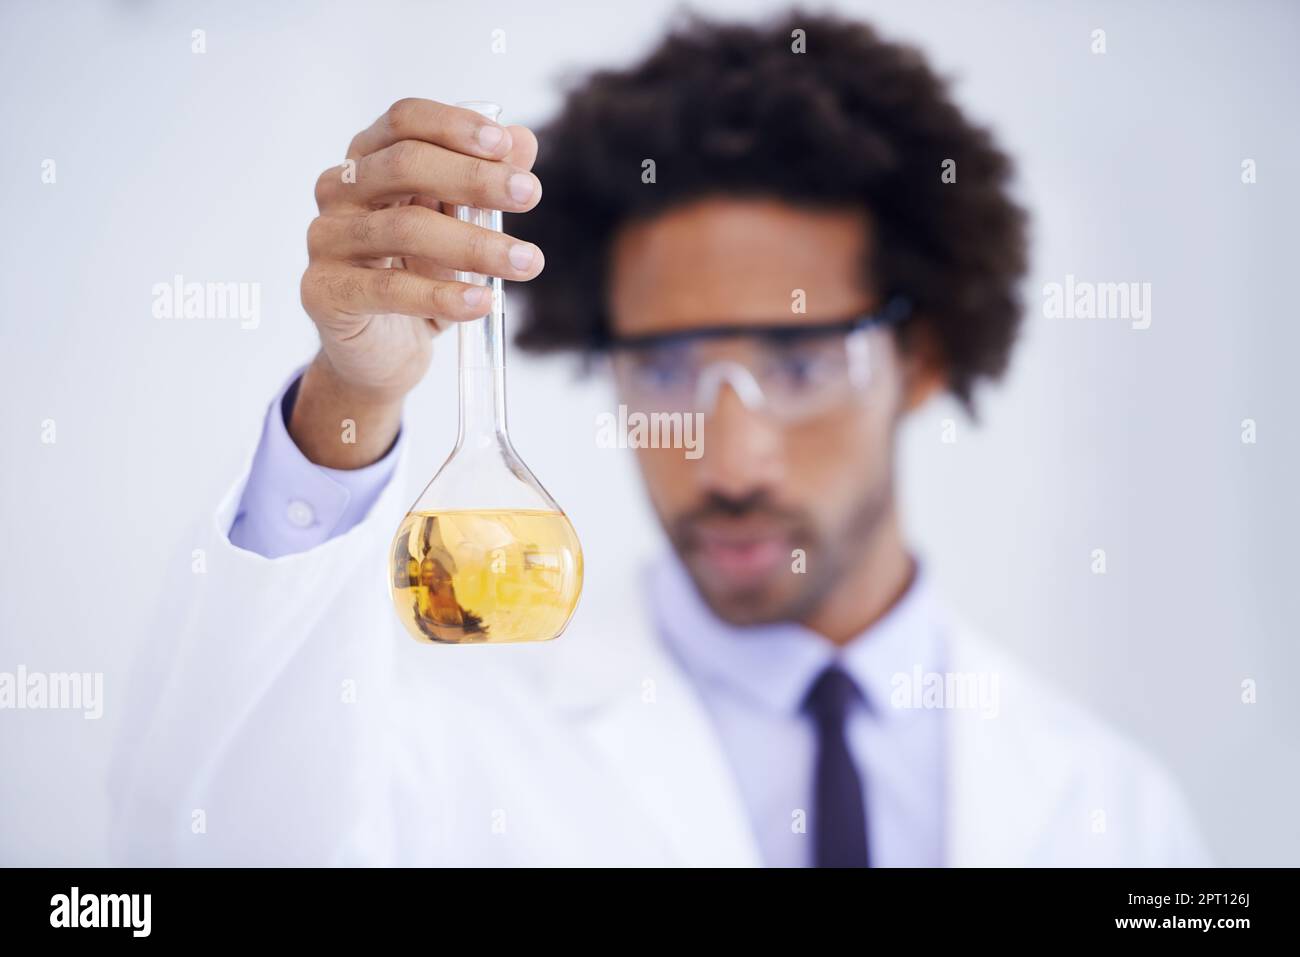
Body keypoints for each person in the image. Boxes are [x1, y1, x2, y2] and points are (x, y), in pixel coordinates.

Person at [109, 11, 1209, 866]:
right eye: (669, 368)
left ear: (921, 358)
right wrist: (350, 399)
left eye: (796, 363)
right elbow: (209, 847)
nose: (728, 461)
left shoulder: (1108, 808)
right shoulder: (466, 743)